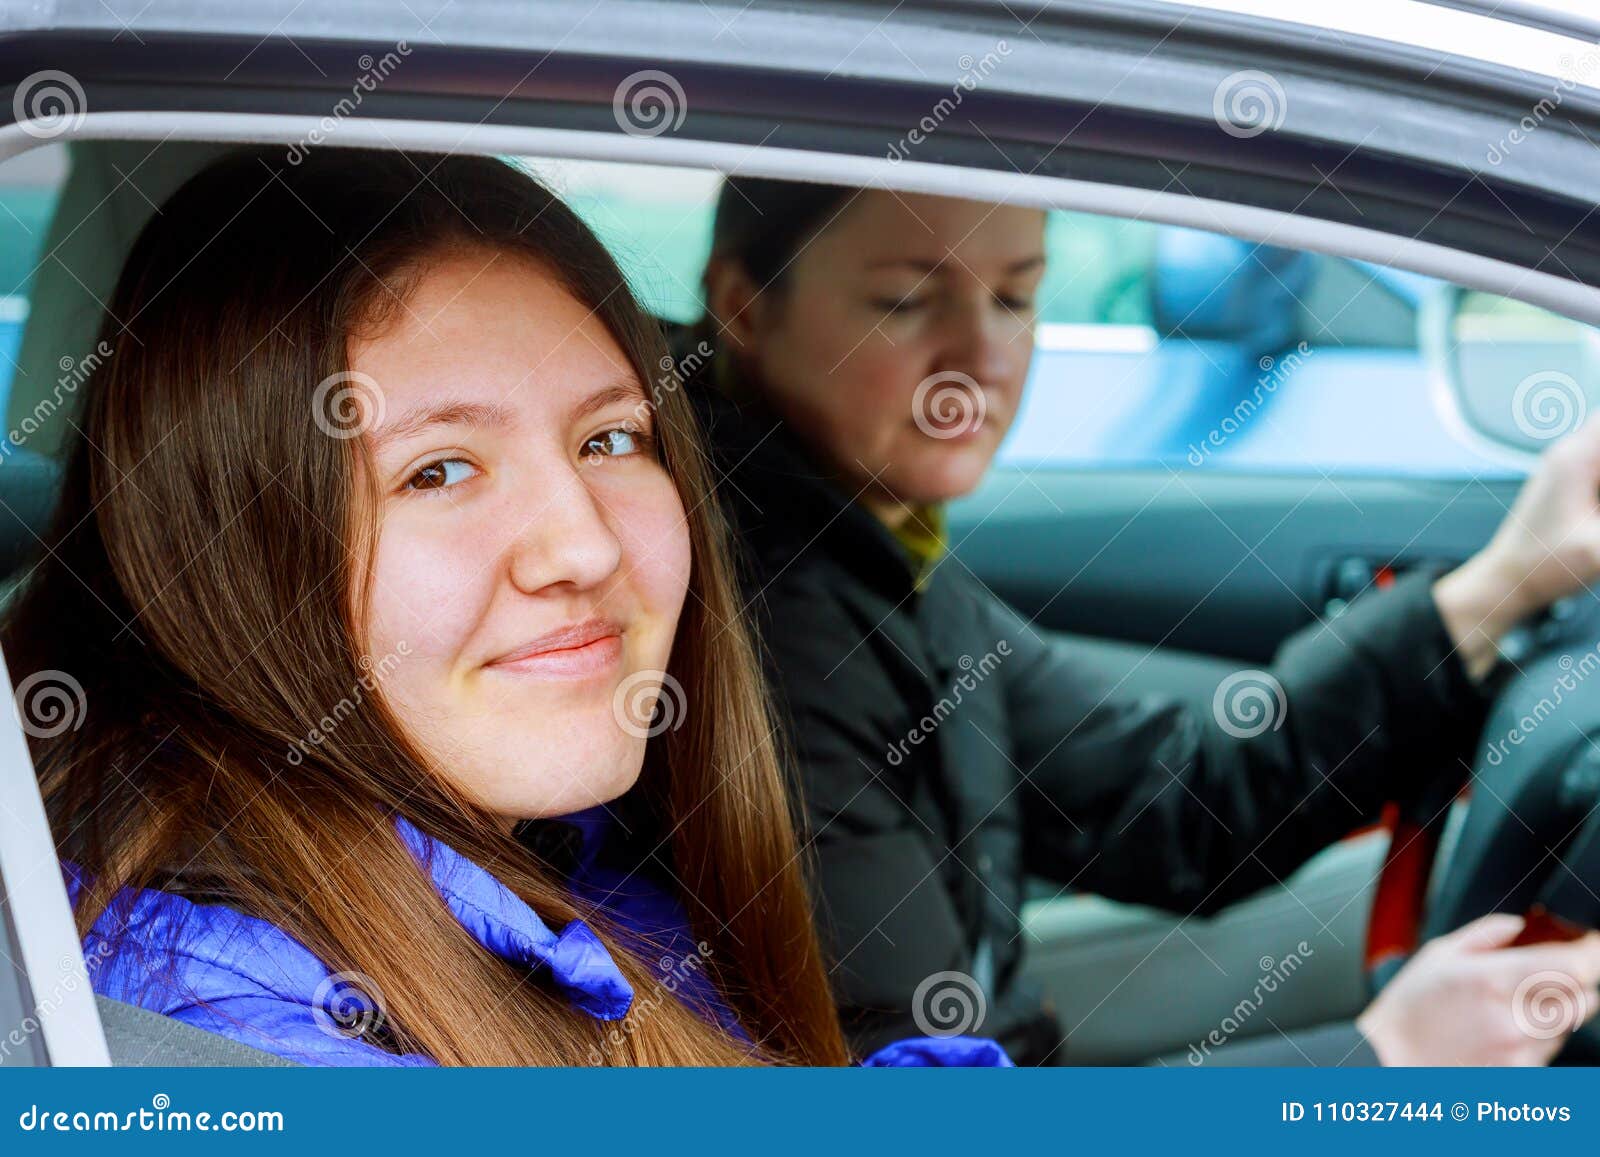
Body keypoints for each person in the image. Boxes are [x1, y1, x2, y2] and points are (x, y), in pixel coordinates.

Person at [3, 149, 1010, 1068]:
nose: (586, 545)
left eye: (610, 440)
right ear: (222, 551)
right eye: (439, 470)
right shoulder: (232, 1030)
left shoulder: (564, 844)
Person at [685, 177, 1600, 1066]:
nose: (983, 358)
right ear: (745, 306)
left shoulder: (880, 558)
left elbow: (1181, 800)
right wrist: (1378, 1061)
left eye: (1014, 297)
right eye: (907, 301)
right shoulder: (770, 640)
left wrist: (1509, 582)